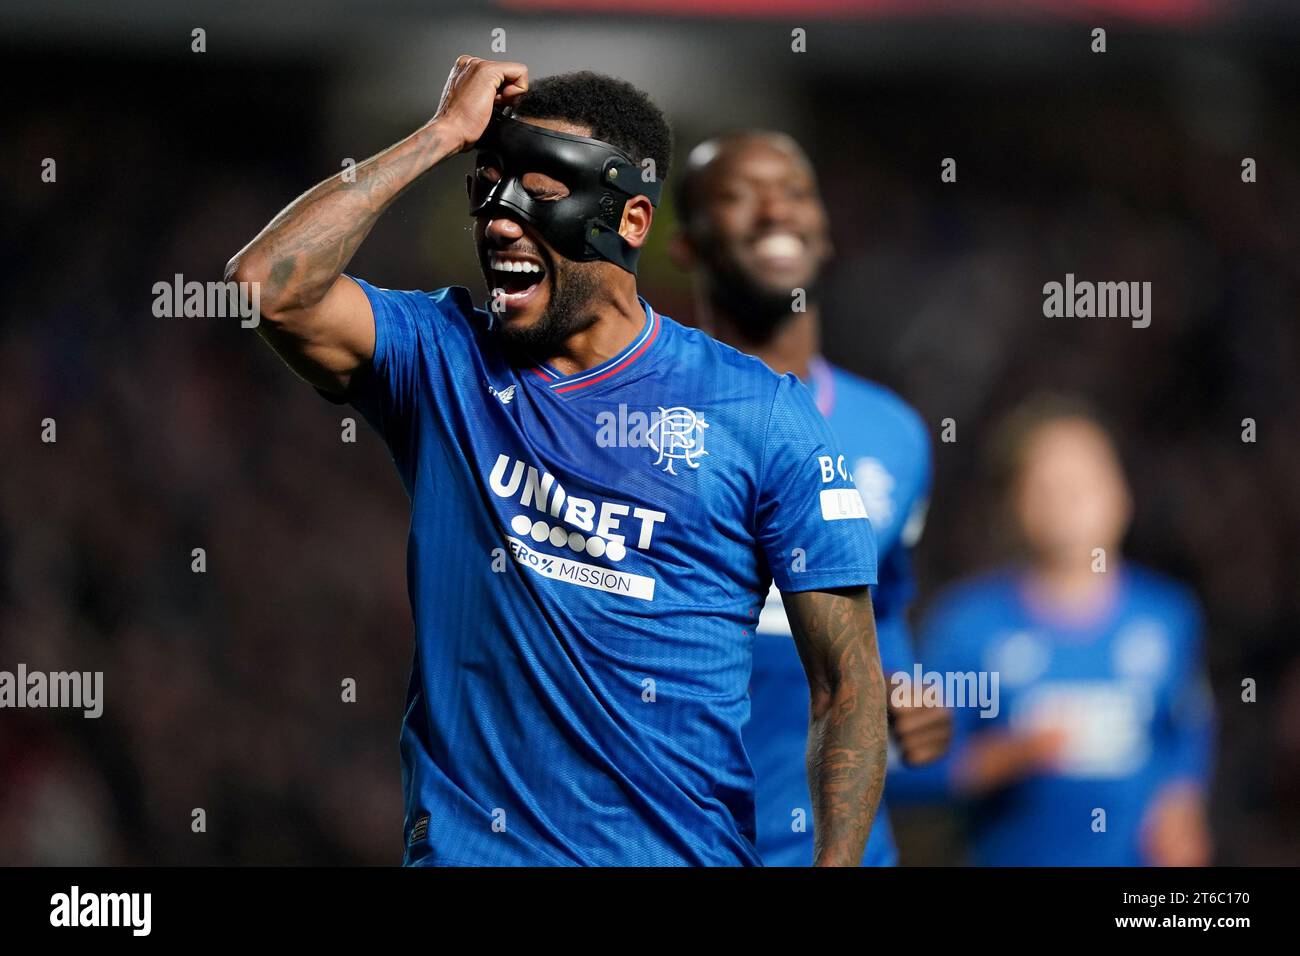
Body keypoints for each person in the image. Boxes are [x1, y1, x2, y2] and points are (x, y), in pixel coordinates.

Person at [225, 57, 888, 866]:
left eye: (539, 193)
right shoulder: (440, 361)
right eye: (488, 187)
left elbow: (848, 685)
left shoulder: (758, 414)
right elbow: (264, 286)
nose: (500, 219)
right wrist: (440, 137)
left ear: (632, 221)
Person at [672, 130, 951, 866]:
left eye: (794, 192)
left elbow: (883, 607)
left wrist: (907, 693)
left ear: (824, 232)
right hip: (666, 843)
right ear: (685, 246)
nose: (773, 212)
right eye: (736, 196)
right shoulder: (639, 422)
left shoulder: (895, 434)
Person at [920, 396, 1215, 865]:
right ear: (1015, 505)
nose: (1069, 498)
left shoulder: (1168, 617)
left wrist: (1181, 806)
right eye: (1048, 485)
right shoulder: (968, 625)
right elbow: (905, 769)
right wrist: (1011, 755)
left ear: (1122, 492)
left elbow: (1185, 731)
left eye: (1085, 479)